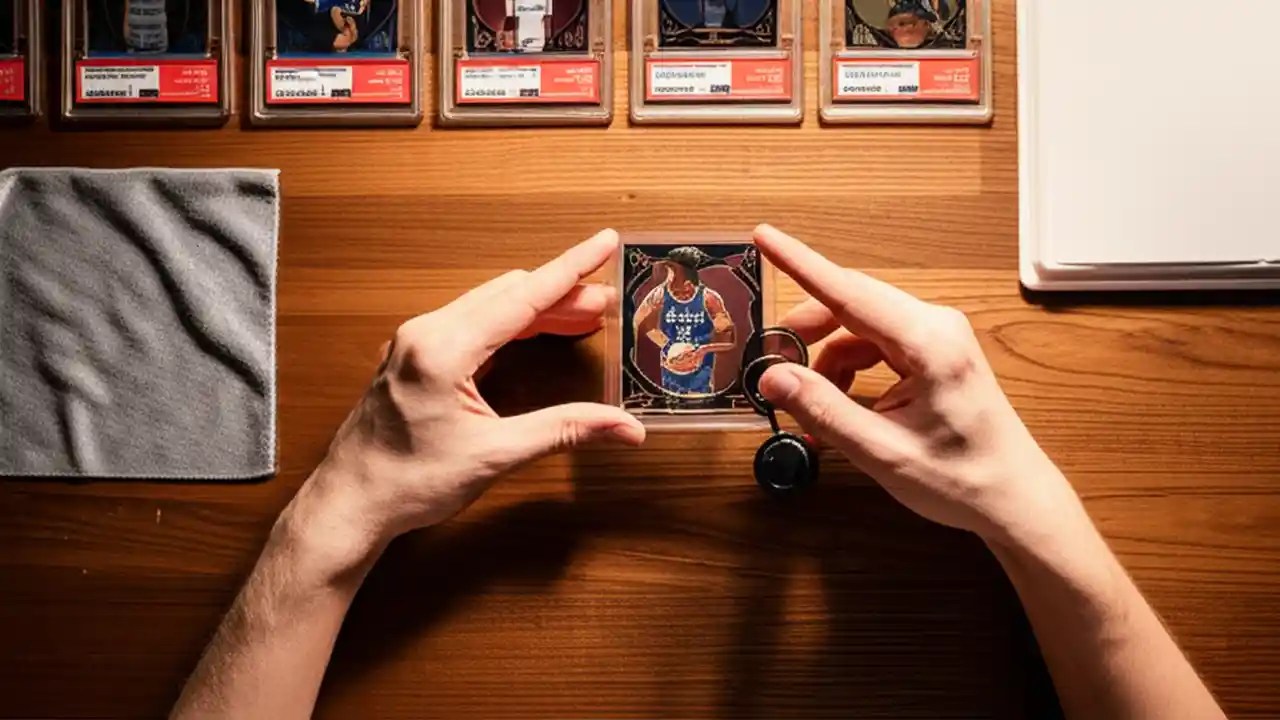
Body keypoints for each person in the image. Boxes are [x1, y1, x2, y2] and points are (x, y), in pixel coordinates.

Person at [170, 226, 1228, 720]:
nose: (681, 288)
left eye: (684, 283)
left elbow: (716, 322)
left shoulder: (711, 310)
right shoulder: (678, 306)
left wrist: (322, 523)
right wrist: (1040, 516)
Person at [632, 247, 736, 395]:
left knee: (698, 407)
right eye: (672, 290)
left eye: (682, 291)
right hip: (670, 372)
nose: (677, 295)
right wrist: (669, 346)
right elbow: (643, 325)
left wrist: (703, 350)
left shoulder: (710, 298)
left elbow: (728, 340)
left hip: (700, 374)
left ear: (690, 283)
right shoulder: (660, 294)